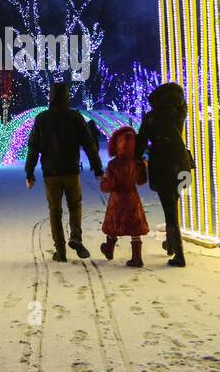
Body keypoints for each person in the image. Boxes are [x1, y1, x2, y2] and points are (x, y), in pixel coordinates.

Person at [25, 82, 103, 261]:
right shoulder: (75, 117)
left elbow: (33, 147)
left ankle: (60, 251)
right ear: (67, 96)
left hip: (51, 173)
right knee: (75, 205)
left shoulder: (42, 118)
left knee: (55, 211)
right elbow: (89, 144)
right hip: (71, 171)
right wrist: (98, 169)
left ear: (50, 97)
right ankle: (75, 236)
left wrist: (29, 172)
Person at [134, 82, 193, 267]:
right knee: (172, 203)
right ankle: (171, 244)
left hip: (162, 165)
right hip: (182, 163)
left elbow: (140, 144)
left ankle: (179, 255)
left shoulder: (151, 117)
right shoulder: (178, 114)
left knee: (169, 210)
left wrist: (137, 157)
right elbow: (184, 103)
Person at [99, 125, 150, 268]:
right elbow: (141, 182)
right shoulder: (137, 163)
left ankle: (109, 248)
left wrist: (104, 182)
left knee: (114, 224)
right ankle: (137, 257)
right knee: (134, 226)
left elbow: (108, 186)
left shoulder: (113, 164)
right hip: (132, 196)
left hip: (117, 199)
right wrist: (143, 167)